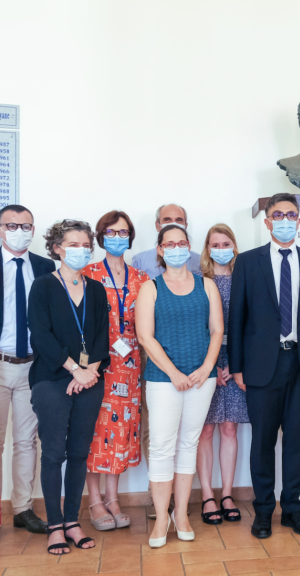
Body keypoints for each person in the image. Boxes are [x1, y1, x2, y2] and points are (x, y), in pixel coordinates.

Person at [229, 194, 300, 539]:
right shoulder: (248, 262)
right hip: (261, 366)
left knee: (295, 440)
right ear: (267, 221)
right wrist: (237, 367)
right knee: (262, 441)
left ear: (299, 220)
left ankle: (292, 509)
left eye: (292, 214)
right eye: (278, 215)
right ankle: (263, 512)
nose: (285, 220)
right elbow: (237, 319)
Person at [136, 224, 223, 548]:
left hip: (202, 379)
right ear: (160, 250)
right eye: (169, 244)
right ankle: (161, 518)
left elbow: (216, 331)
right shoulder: (151, 288)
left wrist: (205, 368)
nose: (175, 248)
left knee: (189, 444)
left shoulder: (208, 286)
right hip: (163, 380)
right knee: (161, 446)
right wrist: (173, 373)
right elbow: (145, 336)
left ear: (189, 247)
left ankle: (182, 514)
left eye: (181, 243)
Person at [28, 219, 109, 554]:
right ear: (57, 248)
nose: (81, 250)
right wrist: (74, 370)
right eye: (73, 244)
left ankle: (73, 522)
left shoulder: (96, 288)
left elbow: (103, 336)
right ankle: (55, 526)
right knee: (53, 454)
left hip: (90, 379)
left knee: (78, 454)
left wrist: (89, 372)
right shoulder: (44, 286)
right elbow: (40, 335)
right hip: (52, 379)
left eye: (85, 245)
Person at [0, 204, 54, 545]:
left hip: (32, 366)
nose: (19, 231)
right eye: (12, 225)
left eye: (26, 226)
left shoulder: (45, 266)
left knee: (27, 441)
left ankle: (23, 509)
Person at [81, 211, 149, 531]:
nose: (117, 238)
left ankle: (114, 498)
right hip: (96, 364)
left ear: (130, 236)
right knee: (95, 431)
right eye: (111, 232)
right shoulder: (87, 272)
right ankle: (95, 500)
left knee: (121, 432)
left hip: (131, 364)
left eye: (123, 233)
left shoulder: (141, 278)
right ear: (100, 236)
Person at [197, 224, 250, 526]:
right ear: (207, 249)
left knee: (230, 428)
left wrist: (236, 365)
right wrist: (211, 366)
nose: (220, 248)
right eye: (214, 244)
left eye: (225, 243)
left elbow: (252, 324)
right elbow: (197, 326)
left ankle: (227, 494)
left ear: (234, 245)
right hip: (206, 362)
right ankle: (207, 495)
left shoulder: (246, 278)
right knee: (205, 430)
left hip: (237, 361)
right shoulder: (197, 281)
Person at [131, 205, 202, 278]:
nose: (173, 224)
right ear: (157, 226)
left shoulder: (199, 261)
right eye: (167, 220)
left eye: (179, 220)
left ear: (185, 226)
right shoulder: (140, 261)